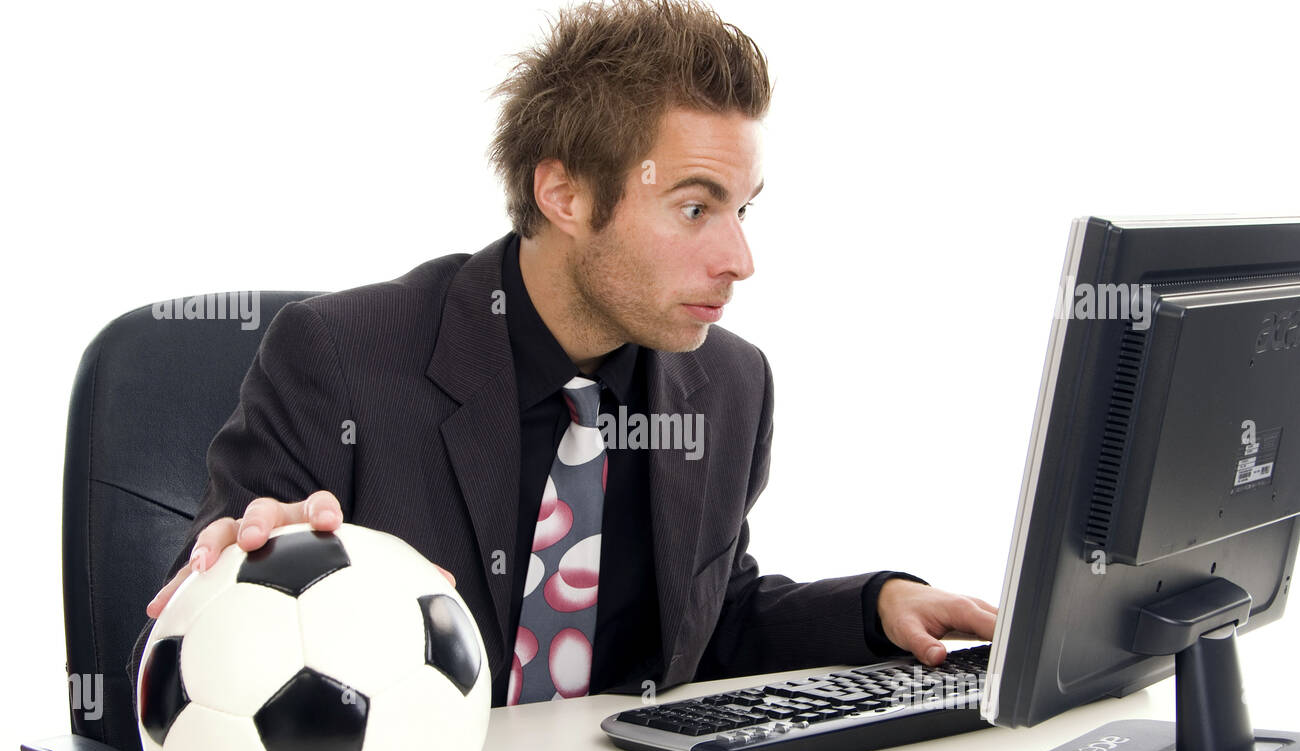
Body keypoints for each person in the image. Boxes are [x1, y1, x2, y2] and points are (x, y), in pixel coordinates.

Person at [130, 0, 997, 709]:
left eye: (745, 209)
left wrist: (876, 608)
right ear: (565, 194)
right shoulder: (342, 359)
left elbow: (714, 621)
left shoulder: (728, 384)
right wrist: (245, 580)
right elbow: (177, 658)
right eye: (696, 209)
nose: (739, 259)